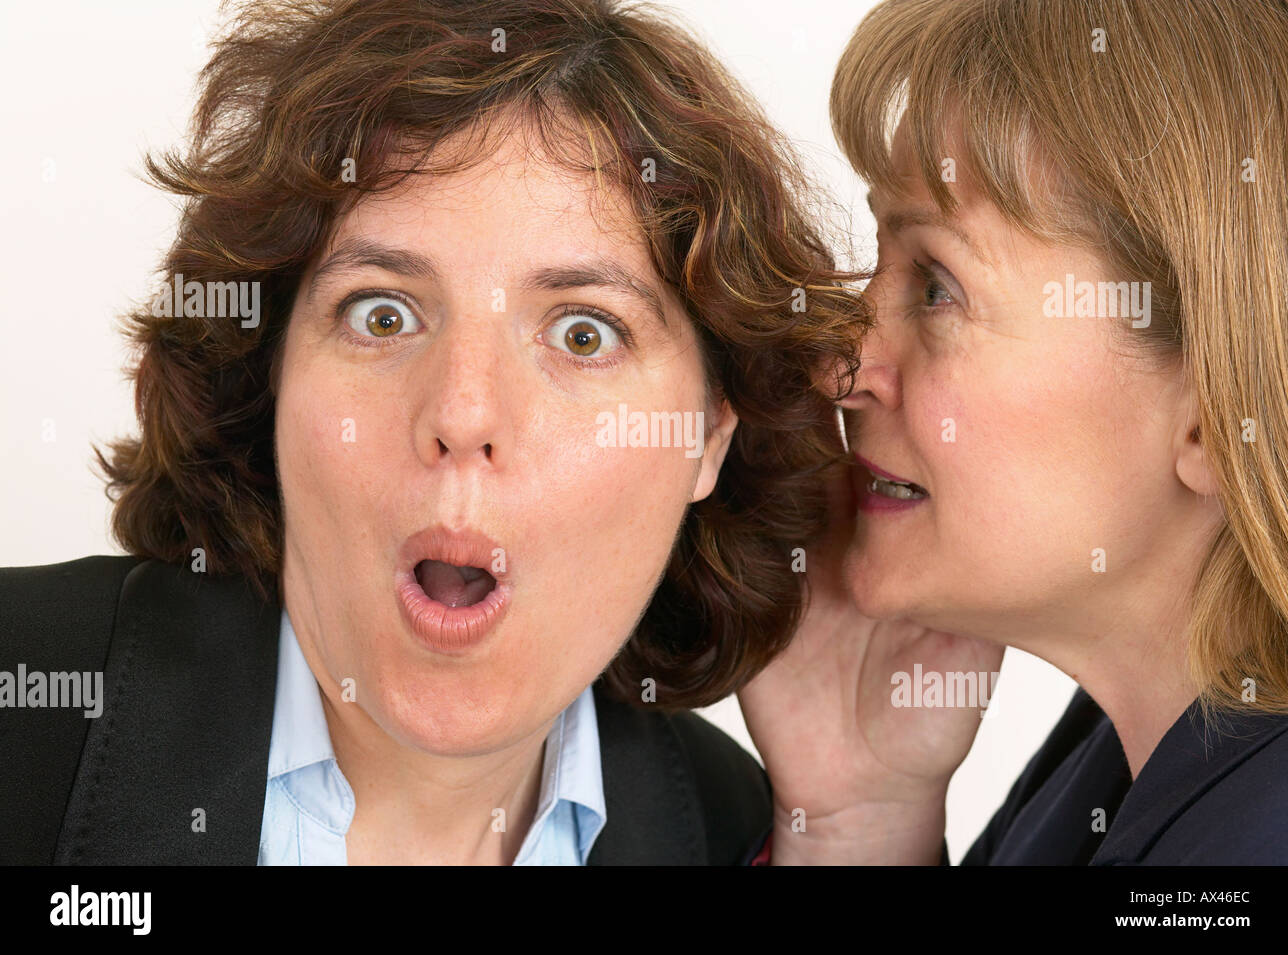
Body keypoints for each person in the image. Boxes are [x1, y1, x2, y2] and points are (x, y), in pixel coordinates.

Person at [0, 0, 867, 866]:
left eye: (582, 334)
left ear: (709, 439)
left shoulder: (753, 836)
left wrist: (860, 813)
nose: (461, 414)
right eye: (382, 315)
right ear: (270, 375)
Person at [740, 0, 1288, 865]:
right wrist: (864, 816)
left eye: (937, 286)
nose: (838, 372)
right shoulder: (1134, 759)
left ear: (1214, 412)